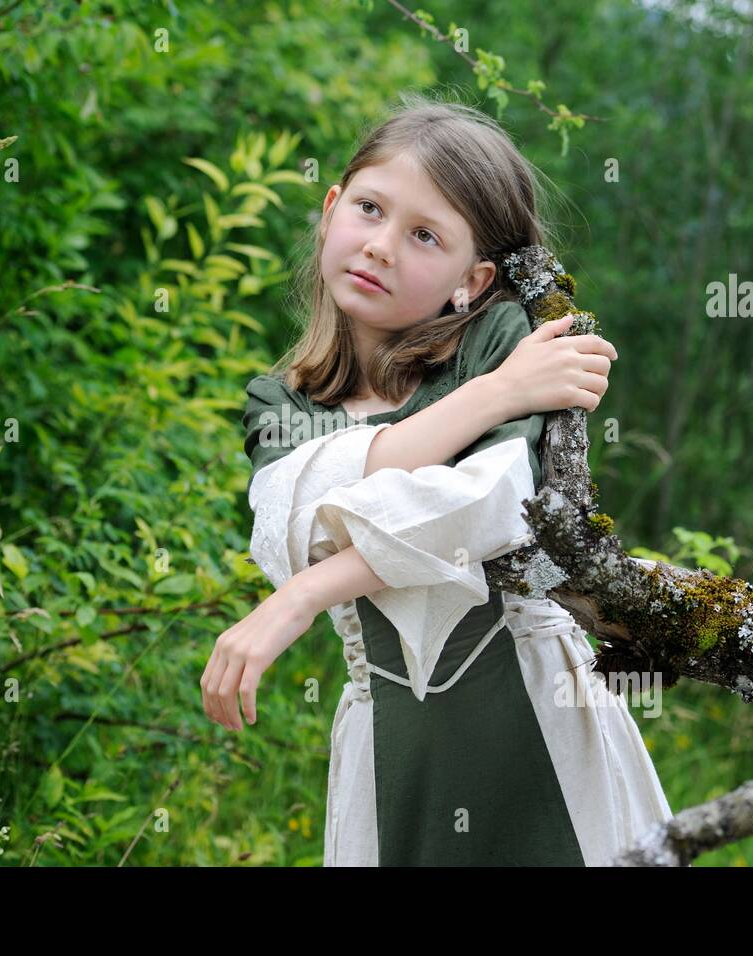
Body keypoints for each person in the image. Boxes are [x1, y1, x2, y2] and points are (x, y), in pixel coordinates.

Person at [200, 96, 673, 865]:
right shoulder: (280, 402)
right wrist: (498, 398)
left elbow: (489, 506)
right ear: (330, 210)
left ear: (471, 277)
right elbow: (301, 524)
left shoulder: (496, 339)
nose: (381, 246)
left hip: (545, 721)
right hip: (393, 749)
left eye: (424, 235)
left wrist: (304, 596)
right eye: (369, 208)